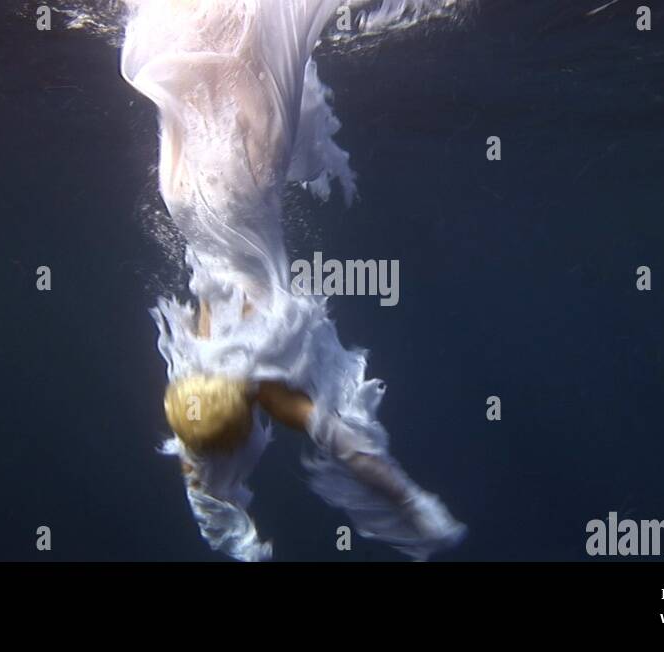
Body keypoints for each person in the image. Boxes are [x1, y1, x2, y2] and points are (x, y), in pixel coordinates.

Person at [123, 0, 467, 561]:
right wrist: (228, 534)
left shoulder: (264, 370)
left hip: (248, 188)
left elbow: (343, 444)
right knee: (204, 60)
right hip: (184, 193)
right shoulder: (191, 374)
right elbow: (198, 479)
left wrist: (418, 511)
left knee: (254, 49)